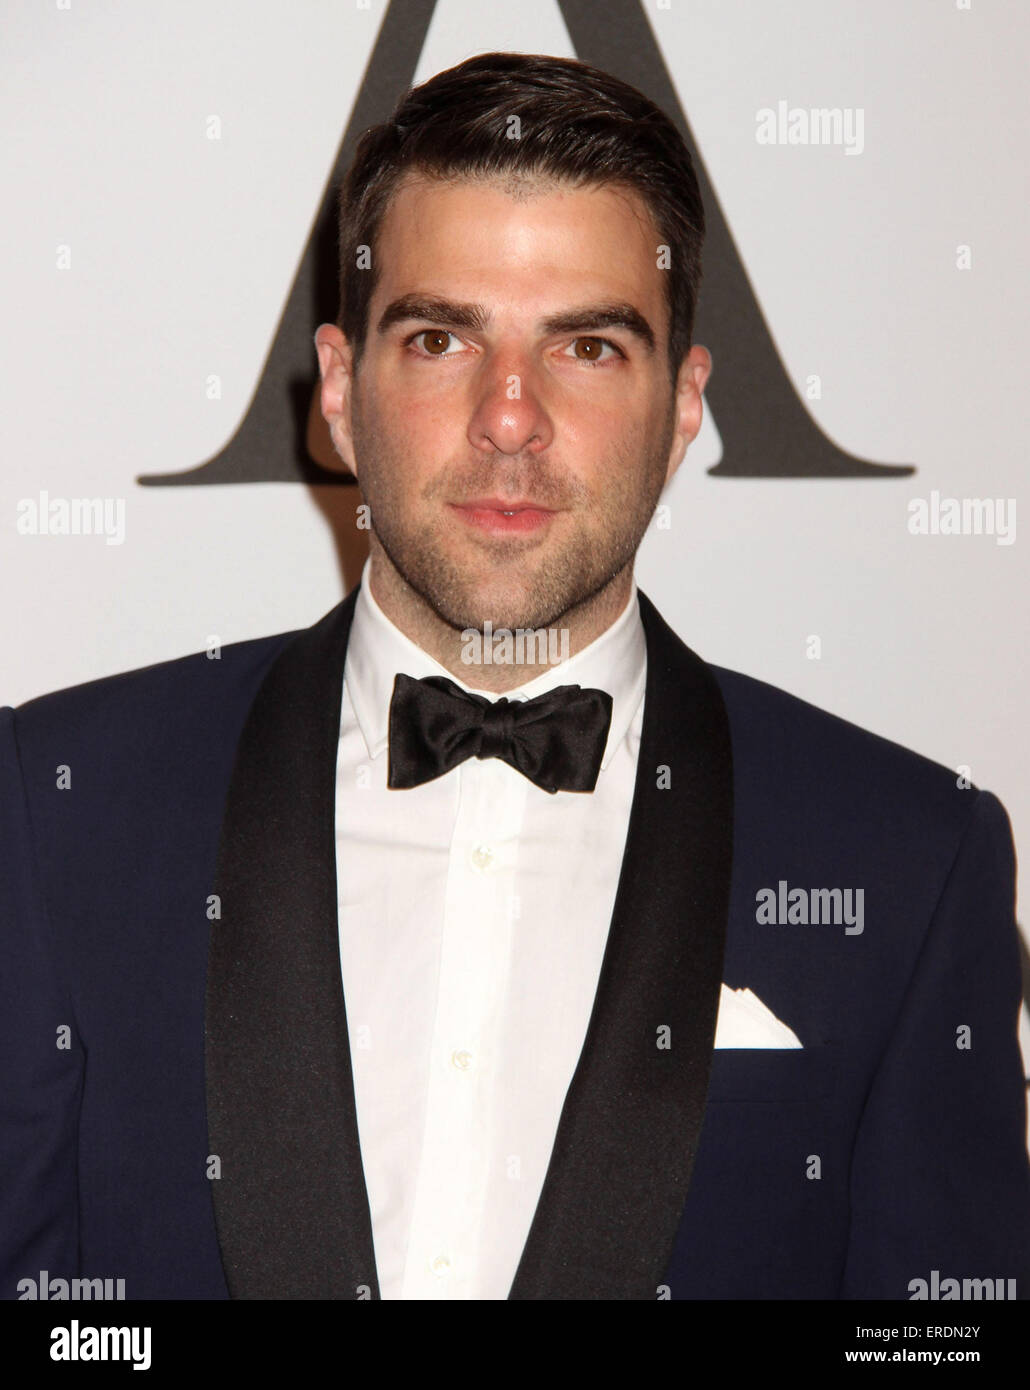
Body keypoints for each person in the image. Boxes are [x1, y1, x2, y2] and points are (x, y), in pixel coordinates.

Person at [2, 52, 1028, 1302]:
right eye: (440, 337)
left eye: (586, 347)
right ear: (338, 387)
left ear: (685, 400)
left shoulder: (909, 860)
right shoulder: (56, 812)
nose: (507, 417)